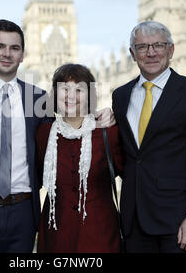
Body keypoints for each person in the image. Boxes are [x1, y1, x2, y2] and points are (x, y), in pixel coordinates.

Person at [0, 20, 114, 253]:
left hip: (22, 216)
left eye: (14, 48)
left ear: (23, 55)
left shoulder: (39, 99)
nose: (7, 54)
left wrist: (101, 117)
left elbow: (69, 130)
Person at [112, 20, 186, 253]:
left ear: (170, 50)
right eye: (142, 47)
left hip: (179, 223)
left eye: (158, 45)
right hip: (133, 223)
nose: (150, 53)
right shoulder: (120, 96)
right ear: (133, 54)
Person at [36, 63, 124, 253]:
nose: (71, 96)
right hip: (56, 239)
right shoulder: (44, 134)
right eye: (64, 89)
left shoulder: (109, 132)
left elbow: (131, 176)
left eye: (79, 89)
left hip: (101, 239)